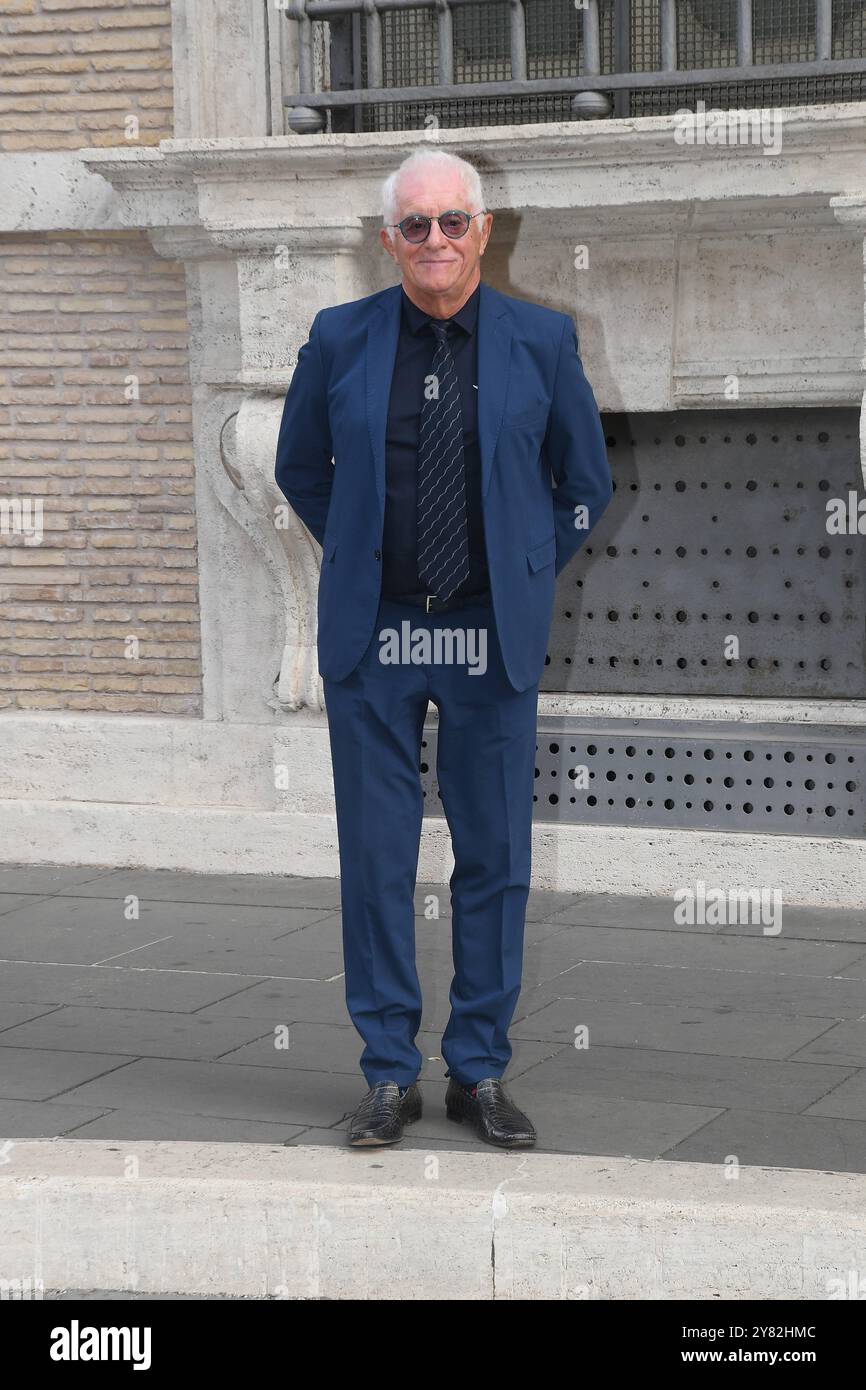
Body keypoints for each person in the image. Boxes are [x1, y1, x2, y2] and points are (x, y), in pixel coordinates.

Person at [275, 148, 612, 1148]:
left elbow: (581, 482)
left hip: (487, 636)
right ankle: (388, 1073)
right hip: (375, 637)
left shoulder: (540, 341)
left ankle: (476, 1072)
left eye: (451, 221)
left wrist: (517, 565)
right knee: (376, 860)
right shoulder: (339, 338)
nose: (434, 240)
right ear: (389, 240)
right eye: (413, 224)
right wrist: (365, 554)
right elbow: (300, 466)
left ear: (482, 229)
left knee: (494, 858)